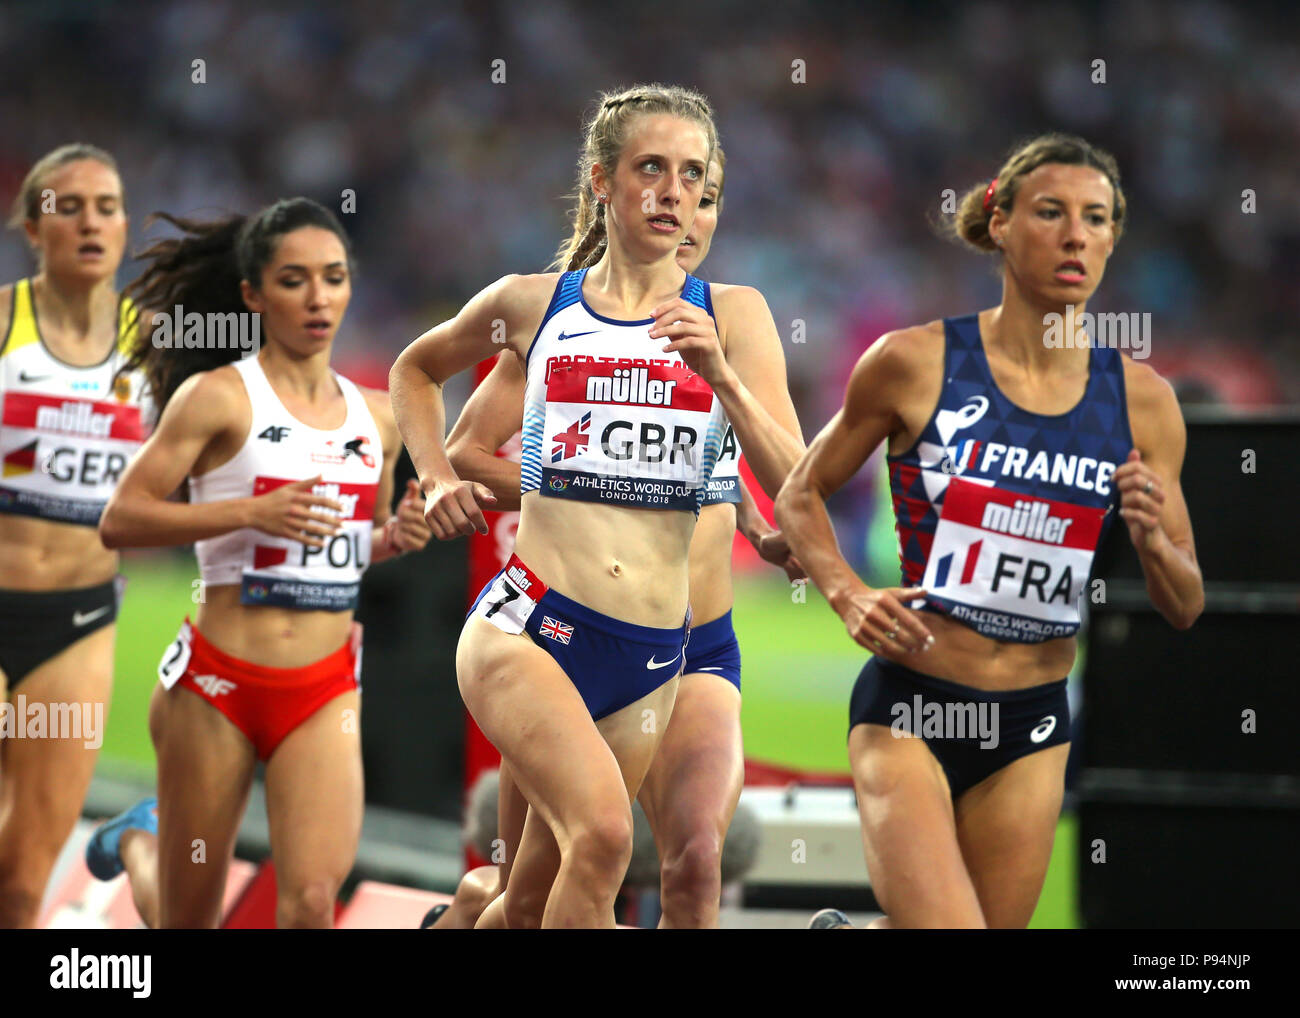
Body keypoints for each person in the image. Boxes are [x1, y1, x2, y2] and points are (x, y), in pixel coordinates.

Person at [391, 83, 804, 929]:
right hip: (532, 626)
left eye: (694, 177)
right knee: (607, 841)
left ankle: (461, 918)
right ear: (601, 182)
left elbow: (798, 479)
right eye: (651, 168)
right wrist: (437, 476)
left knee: (529, 901)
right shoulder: (536, 305)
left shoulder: (736, 316)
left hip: (661, 650)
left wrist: (722, 379)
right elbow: (414, 371)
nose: (675, 193)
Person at [775, 133, 1203, 929]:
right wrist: (846, 594)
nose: (1076, 235)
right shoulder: (913, 363)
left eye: (1097, 219)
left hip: (1035, 724)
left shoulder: (1144, 403)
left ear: (1113, 238)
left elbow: (1186, 602)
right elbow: (801, 494)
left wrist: (1152, 541)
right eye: (1051, 212)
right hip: (913, 705)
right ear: (999, 221)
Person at [87, 198, 431, 929]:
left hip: (324, 688)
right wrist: (248, 512)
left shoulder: (378, 417)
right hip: (217, 684)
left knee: (310, 903)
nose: (318, 299)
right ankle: (140, 842)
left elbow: (349, 545)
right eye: (294, 280)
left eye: (334, 279)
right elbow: (120, 519)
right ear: (252, 295)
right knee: (189, 919)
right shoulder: (216, 399)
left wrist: (395, 538)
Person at [0, 144, 151, 928]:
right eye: (70, 206)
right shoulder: (4, 322)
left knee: (23, 886)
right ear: (33, 226)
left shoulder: (158, 348)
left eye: (108, 206)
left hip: (78, 623)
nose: (91, 221)